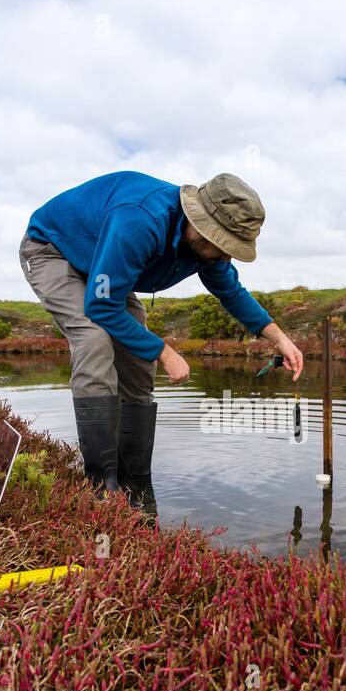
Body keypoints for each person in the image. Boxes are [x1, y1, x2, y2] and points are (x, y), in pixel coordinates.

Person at [19, 171, 303, 510]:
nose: (225, 256)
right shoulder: (140, 221)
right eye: (222, 245)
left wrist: (278, 337)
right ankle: (100, 487)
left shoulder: (206, 248)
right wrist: (164, 351)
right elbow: (100, 305)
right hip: (55, 251)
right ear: (199, 223)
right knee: (95, 339)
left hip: (105, 267)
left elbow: (230, 291)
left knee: (136, 354)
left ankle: (136, 479)